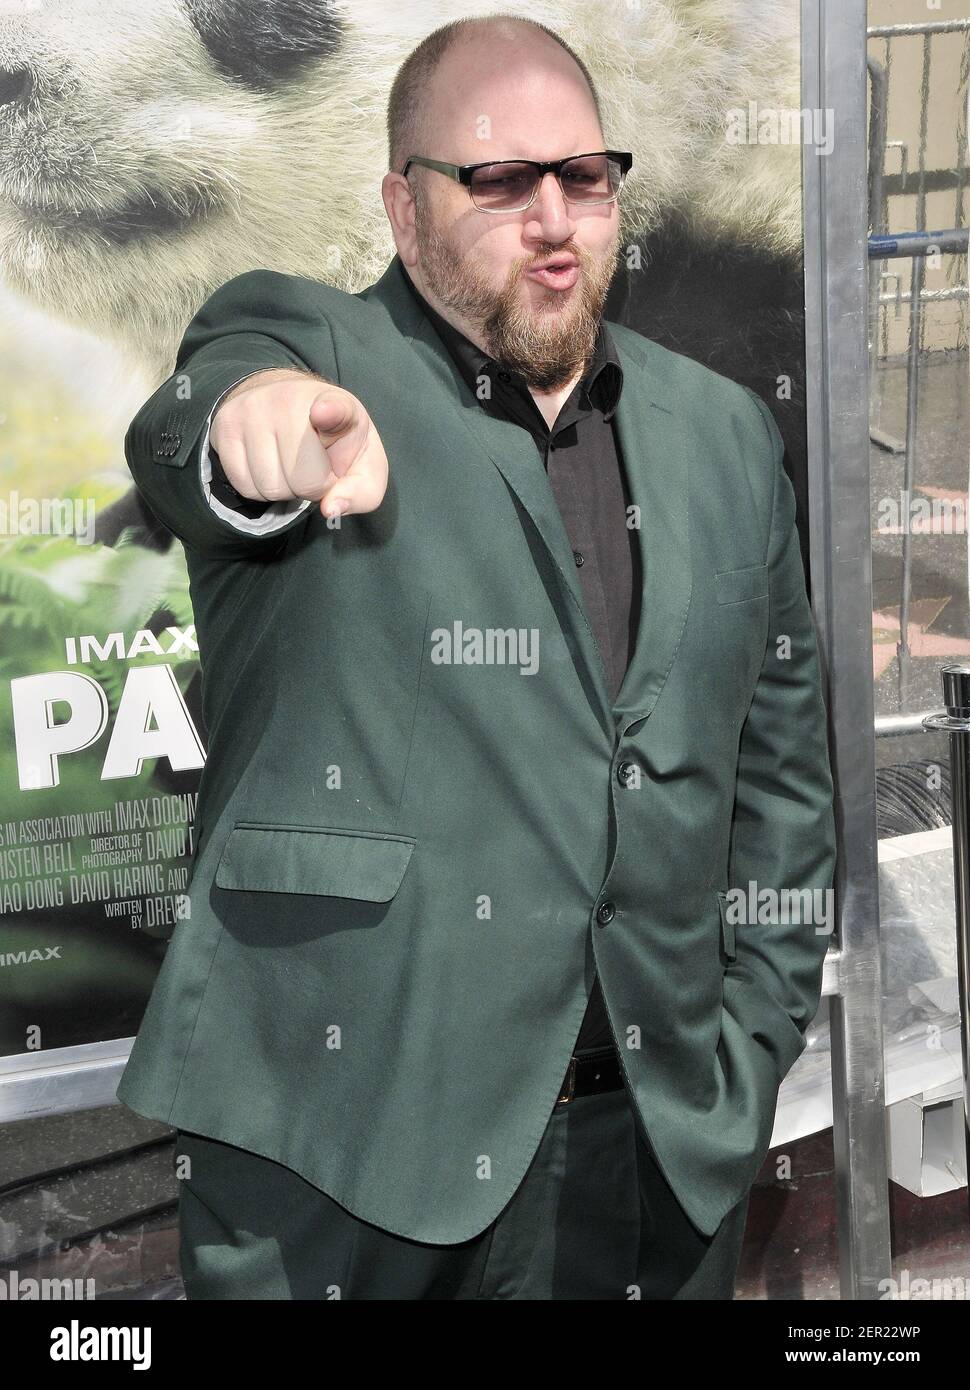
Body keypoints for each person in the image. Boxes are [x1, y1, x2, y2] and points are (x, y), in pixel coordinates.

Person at [116, 13, 837, 1300]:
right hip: (351, 1156)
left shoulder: (724, 430)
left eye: (585, 177)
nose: (553, 219)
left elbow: (783, 779)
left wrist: (753, 1040)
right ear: (403, 207)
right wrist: (250, 431)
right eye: (498, 181)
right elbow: (204, 417)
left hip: (662, 1152)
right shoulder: (314, 350)